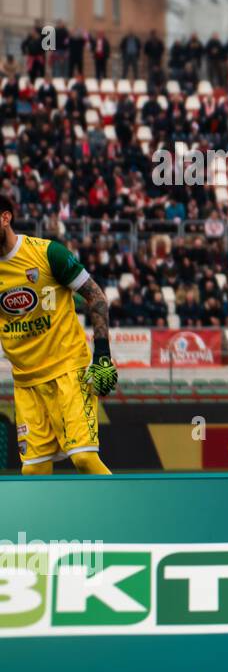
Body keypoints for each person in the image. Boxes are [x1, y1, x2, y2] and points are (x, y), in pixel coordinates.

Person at [0, 194, 117, 475]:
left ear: (5, 217)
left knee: (85, 460)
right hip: (26, 382)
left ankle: (125, 514)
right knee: (33, 471)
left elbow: (97, 297)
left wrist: (102, 355)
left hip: (68, 371)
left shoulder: (48, 253)